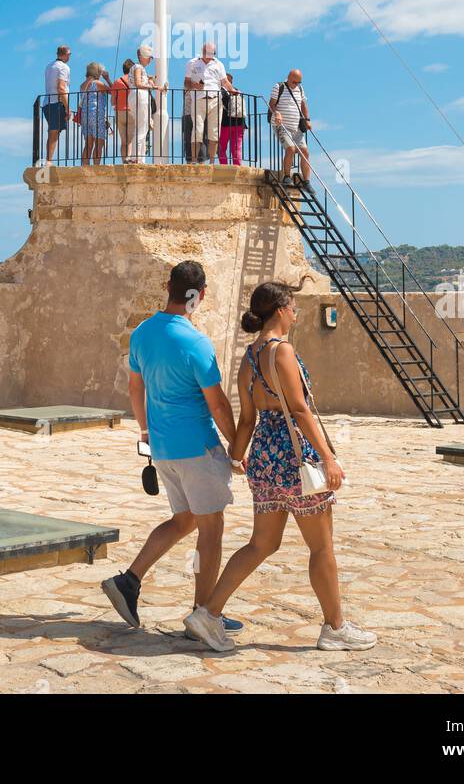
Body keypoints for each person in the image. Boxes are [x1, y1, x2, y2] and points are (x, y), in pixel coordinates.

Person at [184, 282, 377, 654]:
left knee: (261, 544)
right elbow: (301, 410)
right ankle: (335, 628)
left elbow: (247, 419)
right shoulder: (281, 351)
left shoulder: (250, 357)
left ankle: (208, 613)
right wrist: (328, 458)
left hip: (265, 457)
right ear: (280, 310)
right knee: (321, 547)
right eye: (293, 308)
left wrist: (237, 456)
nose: (296, 314)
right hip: (294, 457)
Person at [101, 260, 243, 638]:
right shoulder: (195, 342)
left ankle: (128, 580)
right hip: (197, 447)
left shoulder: (142, 333)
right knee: (211, 531)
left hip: (163, 447)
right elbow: (217, 404)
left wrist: (145, 432)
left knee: (185, 521)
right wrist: (236, 447)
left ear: (169, 286)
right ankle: (203, 615)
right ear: (201, 295)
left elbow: (136, 388)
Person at [184, 43, 232, 165]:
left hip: (215, 99)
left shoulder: (218, 64)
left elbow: (224, 81)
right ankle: (194, 160)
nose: (211, 56)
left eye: (213, 54)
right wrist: (194, 85)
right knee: (197, 130)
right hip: (198, 99)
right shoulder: (192, 63)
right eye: (209, 53)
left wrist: (232, 90)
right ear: (203, 51)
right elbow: (186, 82)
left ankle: (211, 162)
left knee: (214, 132)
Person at [269, 69, 313, 190]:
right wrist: (276, 113)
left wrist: (307, 119)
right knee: (291, 148)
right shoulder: (278, 87)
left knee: (305, 152)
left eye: (299, 82)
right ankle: (287, 176)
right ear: (288, 77)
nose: (296, 85)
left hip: (296, 126)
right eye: (294, 82)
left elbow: (303, 105)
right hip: (281, 125)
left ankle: (307, 181)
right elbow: (271, 104)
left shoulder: (300, 89)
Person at [78, 62, 113, 164]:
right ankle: (96, 167)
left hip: (85, 116)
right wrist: (107, 79)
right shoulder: (97, 83)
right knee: (99, 143)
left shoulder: (82, 85)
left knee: (88, 144)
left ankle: (85, 168)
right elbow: (113, 91)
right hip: (97, 114)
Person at [43, 45, 71, 164]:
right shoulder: (64, 67)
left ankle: (49, 159)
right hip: (57, 103)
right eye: (69, 54)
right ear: (65, 54)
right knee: (54, 132)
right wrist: (67, 108)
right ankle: (49, 161)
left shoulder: (49, 66)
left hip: (47, 103)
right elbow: (61, 88)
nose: (70, 56)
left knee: (52, 132)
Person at [218, 72, 247, 167]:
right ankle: (237, 167)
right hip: (240, 123)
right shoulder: (237, 91)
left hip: (225, 123)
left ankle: (224, 167)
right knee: (236, 148)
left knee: (221, 148)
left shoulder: (219, 92)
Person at [111, 58, 134, 161]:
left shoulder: (117, 82)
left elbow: (112, 101)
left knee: (123, 140)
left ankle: (124, 159)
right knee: (130, 139)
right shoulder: (134, 81)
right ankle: (129, 158)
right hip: (131, 111)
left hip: (119, 111)